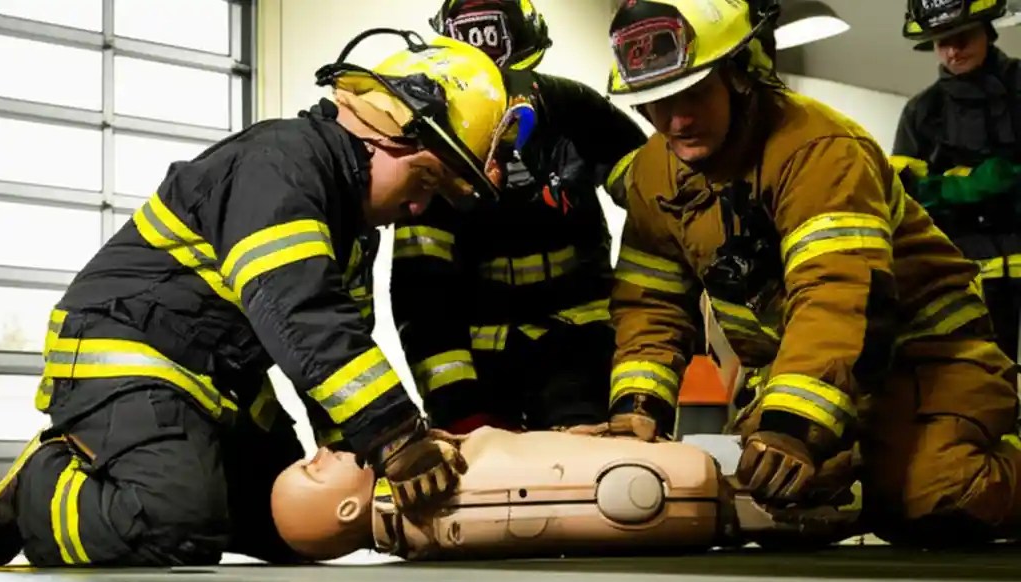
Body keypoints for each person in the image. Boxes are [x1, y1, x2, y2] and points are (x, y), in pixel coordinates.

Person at [0, 30, 528, 569]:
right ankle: (40, 486)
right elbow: (302, 315)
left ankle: (174, 487)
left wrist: (365, 462)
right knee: (174, 526)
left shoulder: (353, 229)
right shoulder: (281, 167)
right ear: (389, 132)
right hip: (130, 355)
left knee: (297, 524)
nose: (419, 208)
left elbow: (341, 357)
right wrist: (396, 436)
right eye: (425, 181)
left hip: (219, 383)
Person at [598, 0, 1021, 547]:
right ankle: (871, 478)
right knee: (766, 501)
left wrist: (792, 427)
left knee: (938, 497)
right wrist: (638, 411)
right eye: (658, 101)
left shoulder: (822, 151)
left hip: (928, 356)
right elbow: (649, 305)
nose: (677, 120)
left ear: (740, 76)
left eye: (695, 93)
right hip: (820, 370)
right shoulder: (653, 175)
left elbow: (837, 293)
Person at [386, 0, 647, 439]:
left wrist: (636, 387)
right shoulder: (432, 148)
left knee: (584, 466)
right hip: (482, 367)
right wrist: (459, 411)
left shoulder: (577, 113)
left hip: (583, 352)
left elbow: (661, 204)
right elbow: (422, 299)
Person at [269, 427, 859, 561]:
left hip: (679, 476)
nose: (319, 453)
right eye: (312, 470)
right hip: (674, 482)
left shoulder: (427, 504)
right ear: (347, 509)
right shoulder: (442, 506)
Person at [892, 0, 1021, 363]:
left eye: (962, 37)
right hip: (962, 280)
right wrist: (957, 188)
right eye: (942, 42)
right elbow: (902, 197)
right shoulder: (921, 112)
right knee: (978, 378)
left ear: (987, 32)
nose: (953, 51)